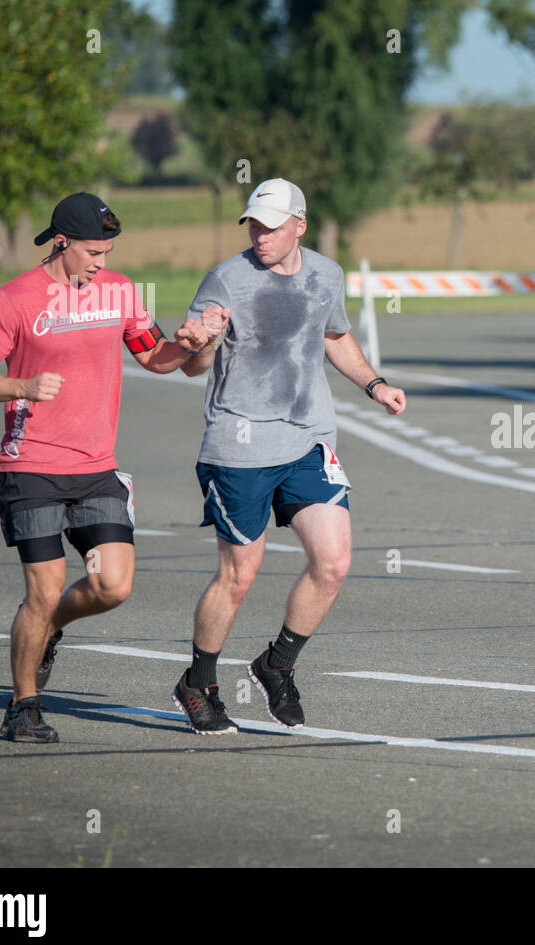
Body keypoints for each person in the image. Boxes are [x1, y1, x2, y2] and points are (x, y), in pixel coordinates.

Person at [0, 192, 216, 743]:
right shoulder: (15, 299)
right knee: (44, 590)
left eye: (108, 251)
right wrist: (21, 386)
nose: (101, 261)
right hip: (31, 467)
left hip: (97, 467)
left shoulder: (121, 292)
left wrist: (200, 347)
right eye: (93, 251)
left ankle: (48, 630)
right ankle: (24, 706)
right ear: (62, 243)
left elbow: (158, 357)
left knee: (112, 585)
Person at [174, 178, 405, 734]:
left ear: (298, 225)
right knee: (240, 575)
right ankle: (197, 682)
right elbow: (192, 365)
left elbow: (333, 335)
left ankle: (277, 664)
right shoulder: (227, 279)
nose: (259, 236)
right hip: (239, 445)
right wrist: (201, 342)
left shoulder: (326, 274)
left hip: (309, 439)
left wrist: (373, 384)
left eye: (271, 226)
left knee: (334, 562)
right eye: (253, 224)